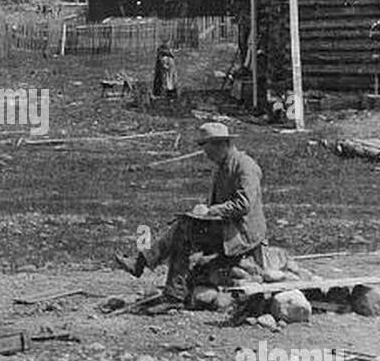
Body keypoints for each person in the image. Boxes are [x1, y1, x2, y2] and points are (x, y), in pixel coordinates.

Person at [114, 121, 266, 302]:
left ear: (221, 144)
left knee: (184, 229)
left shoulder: (245, 166)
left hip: (242, 232)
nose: (205, 153)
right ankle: (165, 283)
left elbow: (244, 204)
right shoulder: (222, 166)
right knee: (184, 225)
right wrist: (201, 214)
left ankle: (163, 283)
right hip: (228, 227)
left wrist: (210, 211)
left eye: (206, 147)